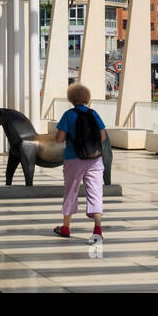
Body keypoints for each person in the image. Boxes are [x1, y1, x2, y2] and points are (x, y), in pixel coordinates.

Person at [52, 82, 107, 241]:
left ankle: (66, 228)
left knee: (71, 191)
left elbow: (59, 138)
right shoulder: (93, 114)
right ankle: (97, 229)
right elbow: (102, 136)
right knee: (95, 193)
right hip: (95, 159)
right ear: (87, 98)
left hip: (73, 158)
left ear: (71, 98)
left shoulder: (69, 115)